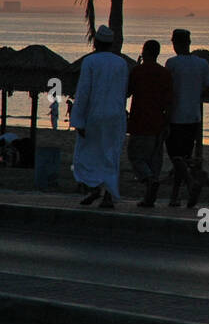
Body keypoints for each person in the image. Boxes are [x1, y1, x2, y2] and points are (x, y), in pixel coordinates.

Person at [71, 26, 129, 208]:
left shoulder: (90, 61)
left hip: (94, 116)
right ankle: (105, 194)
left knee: (89, 155)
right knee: (110, 155)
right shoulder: (121, 63)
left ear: (96, 42)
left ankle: (95, 188)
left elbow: (83, 92)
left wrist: (78, 119)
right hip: (115, 116)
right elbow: (123, 91)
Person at [165, 28, 209, 208]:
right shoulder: (202, 64)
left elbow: (167, 91)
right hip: (194, 117)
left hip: (176, 117)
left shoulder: (172, 64)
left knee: (176, 157)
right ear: (189, 43)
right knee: (183, 158)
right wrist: (195, 93)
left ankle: (191, 183)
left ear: (176, 44)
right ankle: (175, 197)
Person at [126, 39, 172, 208]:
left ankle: (149, 180)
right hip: (158, 123)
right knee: (154, 160)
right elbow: (169, 102)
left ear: (144, 51)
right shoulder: (165, 73)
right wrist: (167, 124)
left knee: (136, 156)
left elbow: (127, 92)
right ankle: (149, 197)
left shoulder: (137, 71)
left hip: (140, 122)